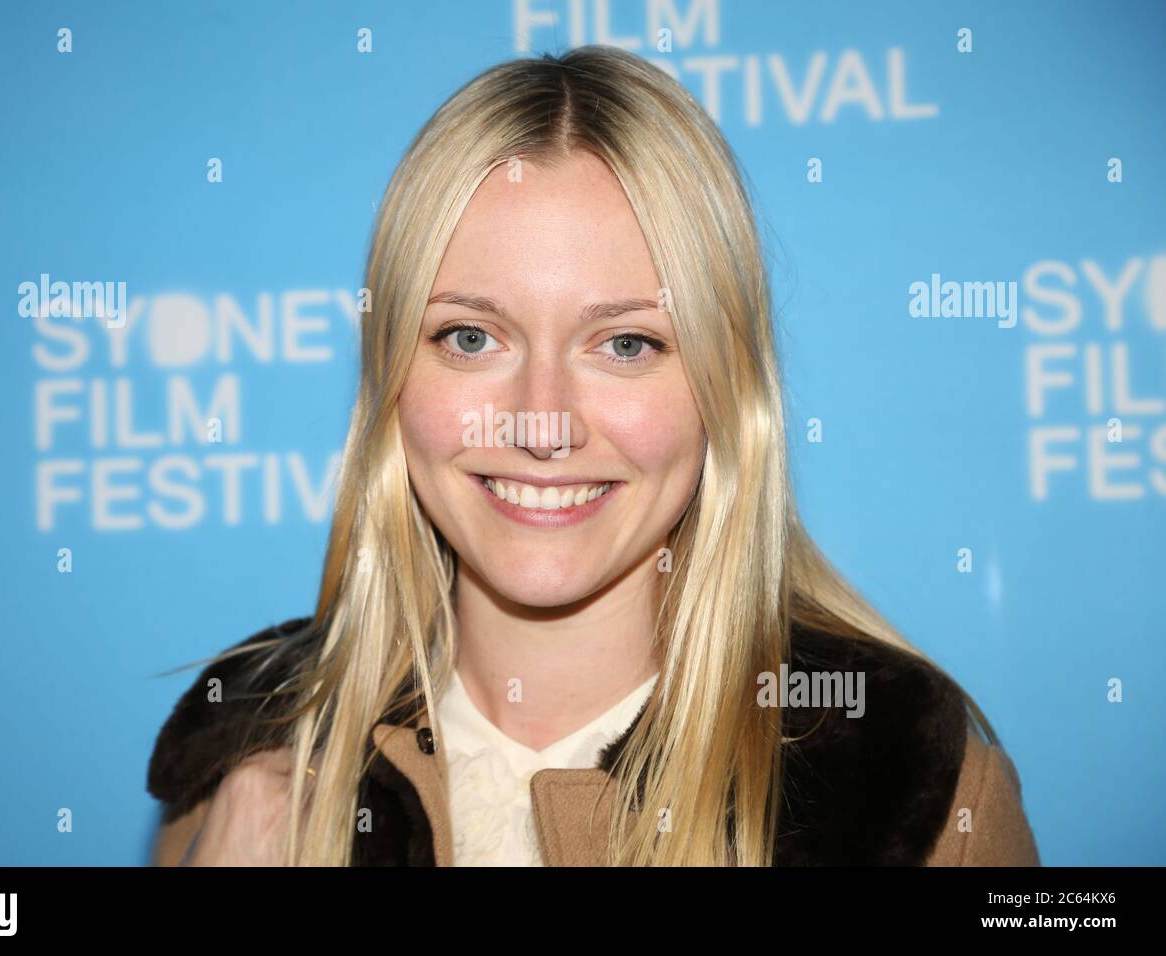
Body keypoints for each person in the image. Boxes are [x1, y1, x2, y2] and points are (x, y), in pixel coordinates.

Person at [146, 45, 1040, 867]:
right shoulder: (248, 766)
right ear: (390, 380)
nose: (541, 424)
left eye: (624, 345)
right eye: (469, 337)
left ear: (726, 390)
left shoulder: (903, 793)